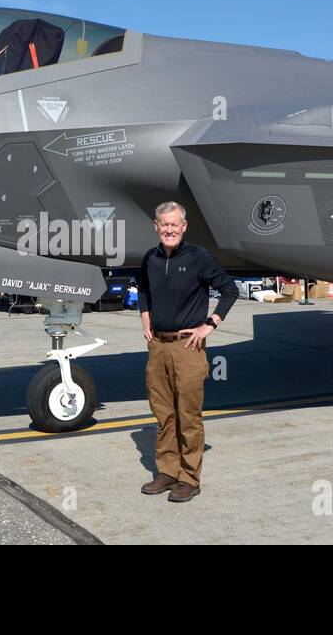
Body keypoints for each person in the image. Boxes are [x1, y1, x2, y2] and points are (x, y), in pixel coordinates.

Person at [137, 201, 238, 503]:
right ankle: (167, 472)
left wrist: (210, 325)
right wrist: (145, 316)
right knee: (163, 414)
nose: (169, 229)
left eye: (174, 224)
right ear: (156, 227)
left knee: (188, 416)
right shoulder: (151, 258)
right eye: (163, 224)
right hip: (157, 345)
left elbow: (230, 290)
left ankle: (189, 478)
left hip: (187, 347)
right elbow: (142, 287)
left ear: (184, 227)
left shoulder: (198, 257)